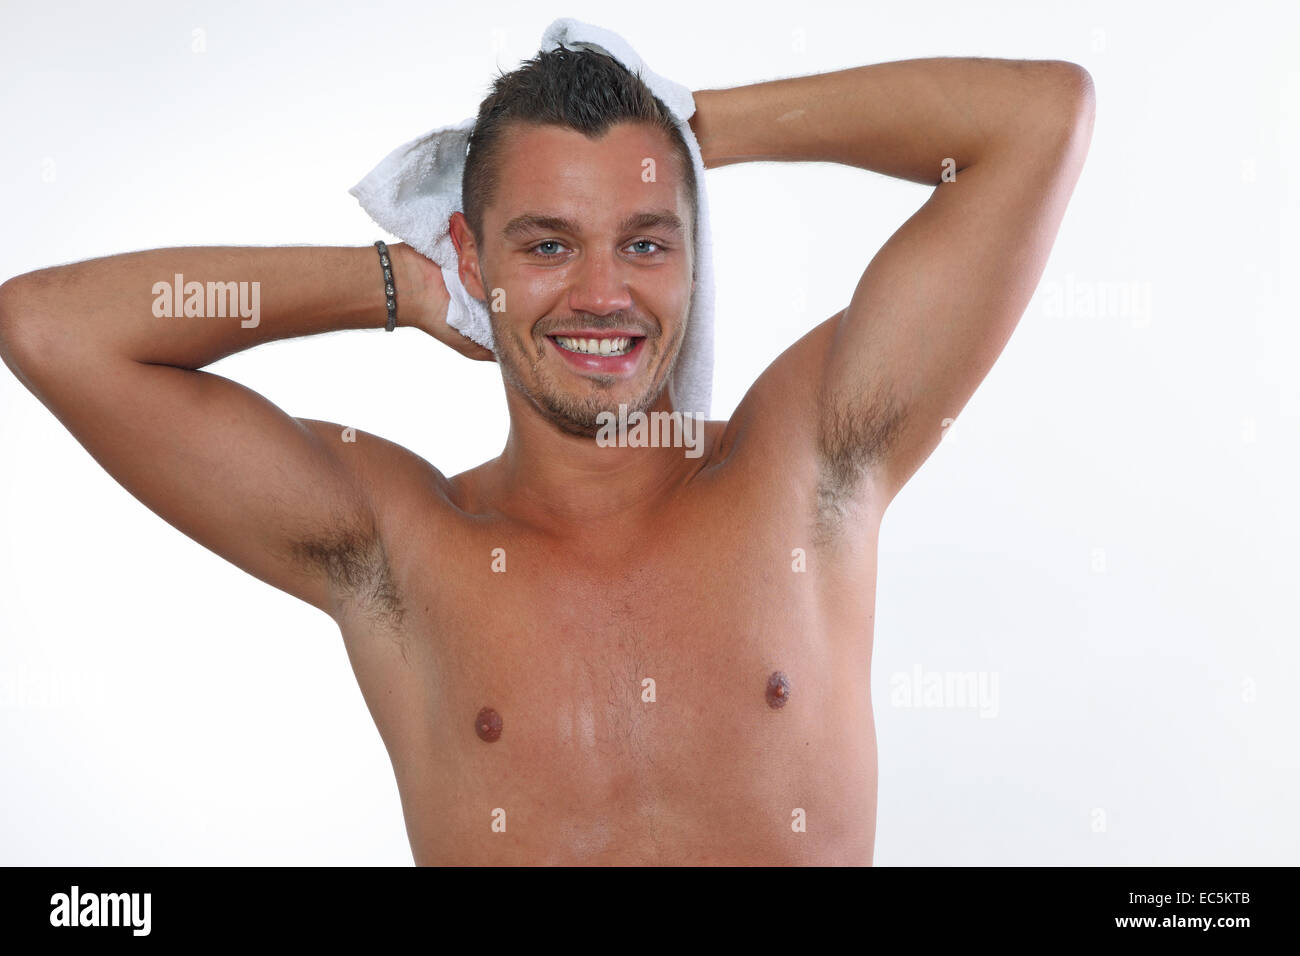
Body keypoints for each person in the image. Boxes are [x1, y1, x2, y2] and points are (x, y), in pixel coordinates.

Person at [0, 48, 1094, 865]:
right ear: (474, 256)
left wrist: (694, 127)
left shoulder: (808, 466)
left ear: (693, 253)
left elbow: (1041, 116)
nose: (603, 294)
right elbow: (51, 328)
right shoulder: (400, 546)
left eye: (647, 239)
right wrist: (397, 285)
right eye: (547, 243)